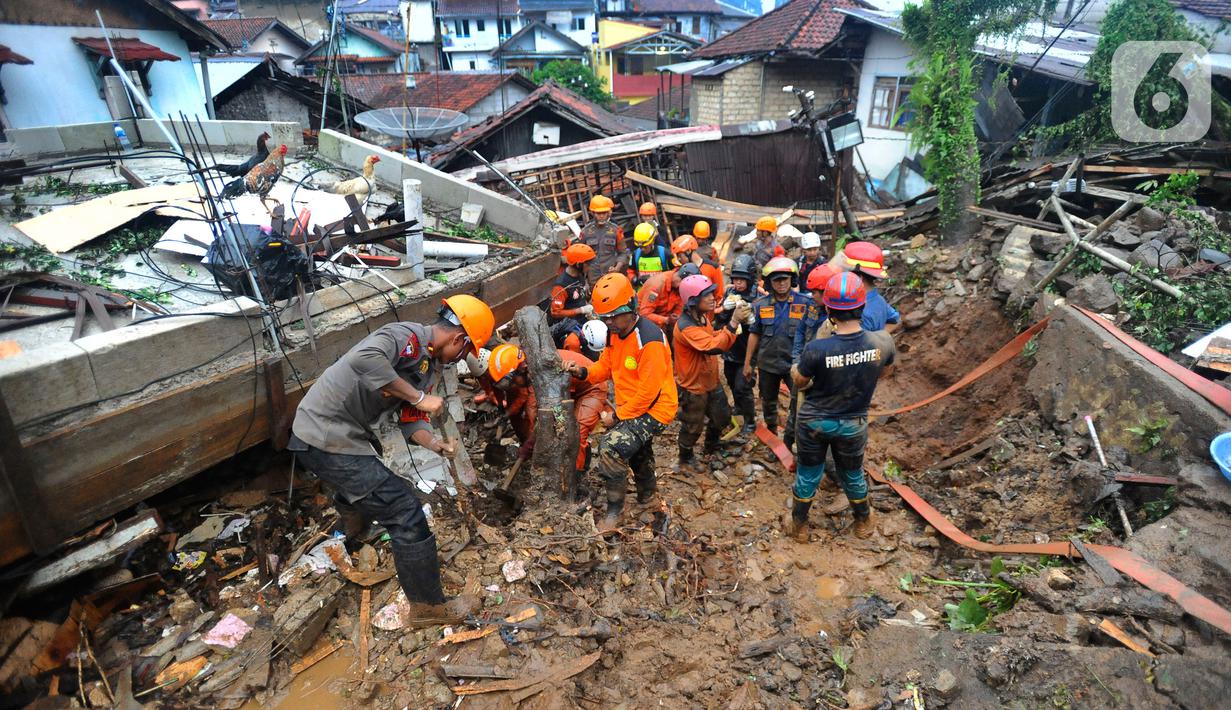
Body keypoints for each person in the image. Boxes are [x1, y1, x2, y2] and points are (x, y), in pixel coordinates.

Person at [288, 295, 494, 625]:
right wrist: (420, 397)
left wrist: (436, 444)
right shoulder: (404, 337)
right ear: (459, 339)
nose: (459, 360)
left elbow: (411, 421)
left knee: (373, 488)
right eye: (463, 352)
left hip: (337, 437)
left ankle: (353, 534)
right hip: (323, 434)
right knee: (405, 512)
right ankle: (428, 607)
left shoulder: (427, 369)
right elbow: (364, 359)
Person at [562, 273, 678, 532]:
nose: (610, 323)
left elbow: (649, 392)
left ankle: (616, 511)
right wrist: (583, 372)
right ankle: (648, 496)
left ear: (630, 307)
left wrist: (617, 416)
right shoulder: (615, 335)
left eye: (614, 316)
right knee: (636, 446)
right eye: (605, 318)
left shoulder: (649, 341)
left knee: (612, 446)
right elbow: (605, 366)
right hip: (633, 403)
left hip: (657, 408)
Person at [789, 272, 895, 540]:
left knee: (808, 474)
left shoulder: (817, 349)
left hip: (814, 422)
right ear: (862, 307)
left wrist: (794, 368)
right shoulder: (882, 341)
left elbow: (801, 382)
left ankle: (799, 527)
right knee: (852, 474)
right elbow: (882, 373)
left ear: (829, 310)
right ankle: (863, 523)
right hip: (853, 423)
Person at [488, 343, 610, 495]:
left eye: (512, 382)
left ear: (522, 369)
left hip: (592, 388)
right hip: (568, 389)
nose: (512, 386)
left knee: (576, 432)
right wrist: (508, 415)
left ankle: (575, 477)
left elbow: (541, 417)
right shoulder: (529, 370)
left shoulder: (545, 373)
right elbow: (523, 398)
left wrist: (529, 445)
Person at [674, 274, 751, 473]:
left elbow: (710, 337)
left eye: (711, 293)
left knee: (722, 416)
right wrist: (732, 324)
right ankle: (685, 457)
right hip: (694, 387)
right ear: (692, 300)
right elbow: (712, 347)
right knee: (692, 426)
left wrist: (726, 331)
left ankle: (711, 446)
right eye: (705, 295)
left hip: (710, 380)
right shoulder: (686, 327)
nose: (712, 298)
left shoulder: (701, 318)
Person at [743, 256, 811, 451]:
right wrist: (748, 363)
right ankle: (774, 443)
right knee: (769, 405)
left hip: (796, 366)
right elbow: (754, 335)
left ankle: (791, 442)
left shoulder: (805, 303)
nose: (781, 284)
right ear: (770, 283)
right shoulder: (760, 305)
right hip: (768, 365)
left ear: (792, 280)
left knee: (799, 404)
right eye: (776, 280)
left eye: (785, 279)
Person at [719, 254, 758, 434]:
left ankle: (750, 420)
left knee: (743, 385)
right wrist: (725, 309)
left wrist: (752, 318)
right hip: (731, 347)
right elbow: (719, 319)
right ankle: (739, 407)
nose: (738, 283)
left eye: (742, 279)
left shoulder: (758, 295)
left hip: (747, 349)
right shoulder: (729, 293)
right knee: (730, 378)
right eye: (735, 279)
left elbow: (761, 327)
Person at [842, 241, 900, 332]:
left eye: (844, 273)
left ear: (858, 278)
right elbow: (896, 320)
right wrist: (879, 337)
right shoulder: (880, 301)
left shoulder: (859, 312)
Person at [791, 262, 841, 363]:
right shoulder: (811, 305)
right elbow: (800, 331)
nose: (812, 296)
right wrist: (796, 359)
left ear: (826, 292)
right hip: (807, 362)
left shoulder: (842, 315)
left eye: (814, 293)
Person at [638, 262, 700, 335]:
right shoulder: (656, 286)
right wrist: (666, 320)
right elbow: (644, 314)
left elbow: (679, 309)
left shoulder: (679, 288)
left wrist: (676, 318)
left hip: (665, 323)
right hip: (644, 325)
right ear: (682, 280)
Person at [580, 194, 627, 276]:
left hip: (610, 274)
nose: (601, 216)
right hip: (592, 276)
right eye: (598, 213)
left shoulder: (616, 230)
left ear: (608, 213)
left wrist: (617, 268)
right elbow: (580, 255)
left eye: (604, 213)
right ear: (593, 213)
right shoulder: (585, 232)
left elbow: (623, 253)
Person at [672, 234, 724, 303]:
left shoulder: (712, 267)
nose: (678, 259)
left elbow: (719, 295)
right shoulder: (680, 272)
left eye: (679, 255)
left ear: (688, 251)